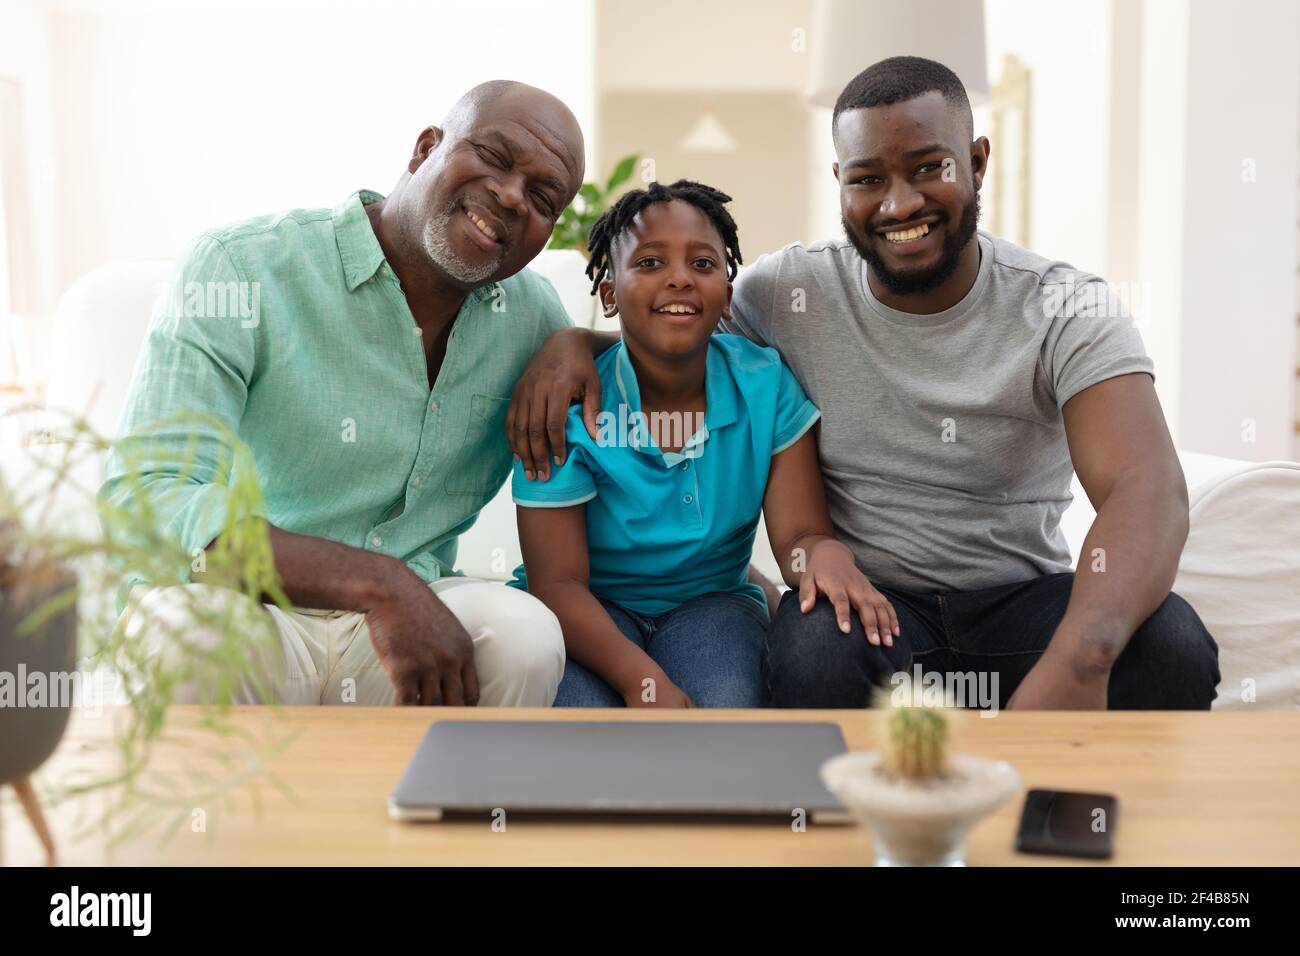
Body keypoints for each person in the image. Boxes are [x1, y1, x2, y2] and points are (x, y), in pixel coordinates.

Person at [506, 58, 1219, 710]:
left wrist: (1081, 661)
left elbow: (1146, 490)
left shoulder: (1065, 307)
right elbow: (673, 338)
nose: (899, 204)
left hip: (1021, 602)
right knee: (815, 644)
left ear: (976, 163)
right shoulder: (786, 292)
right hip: (872, 609)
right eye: (869, 177)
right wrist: (574, 345)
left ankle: (1081, 823)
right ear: (841, 183)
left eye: (928, 168)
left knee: (1172, 642)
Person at [100, 80, 586, 707]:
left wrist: (575, 345)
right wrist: (377, 584)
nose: (511, 195)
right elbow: (147, 498)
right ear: (425, 149)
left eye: (544, 196)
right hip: (245, 605)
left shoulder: (534, 318)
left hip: (414, 618)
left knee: (523, 637)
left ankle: (444, 805)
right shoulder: (239, 268)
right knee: (192, 640)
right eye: (493, 157)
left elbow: (655, 367)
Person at [509, 180, 898, 708]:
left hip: (711, 603)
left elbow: (800, 536)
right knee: (582, 725)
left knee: (726, 710)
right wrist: (641, 683)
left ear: (727, 295)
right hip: (586, 609)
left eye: (703, 264)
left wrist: (823, 556)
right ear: (608, 293)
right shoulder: (567, 407)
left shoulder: (765, 385)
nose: (678, 279)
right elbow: (556, 585)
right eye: (648, 264)